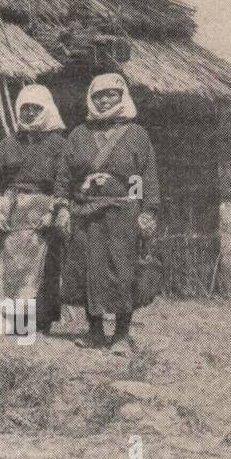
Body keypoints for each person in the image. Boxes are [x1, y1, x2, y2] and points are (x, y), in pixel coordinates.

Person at [53, 73, 160, 355]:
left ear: (122, 96)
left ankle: (122, 335)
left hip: (123, 214)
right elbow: (64, 175)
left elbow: (146, 175)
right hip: (86, 212)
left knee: (123, 271)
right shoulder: (78, 134)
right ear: (91, 98)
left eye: (111, 94)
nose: (105, 100)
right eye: (99, 95)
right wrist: (62, 207)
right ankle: (95, 331)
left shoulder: (137, 134)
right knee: (88, 268)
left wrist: (147, 210)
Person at [0, 84, 69, 337]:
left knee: (44, 266)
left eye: (36, 109)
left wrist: (53, 211)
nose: (30, 114)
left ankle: (39, 321)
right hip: (14, 208)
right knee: (12, 262)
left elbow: (64, 180)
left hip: (44, 208)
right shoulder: (9, 143)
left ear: (47, 111)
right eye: (26, 109)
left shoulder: (59, 144)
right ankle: (10, 317)